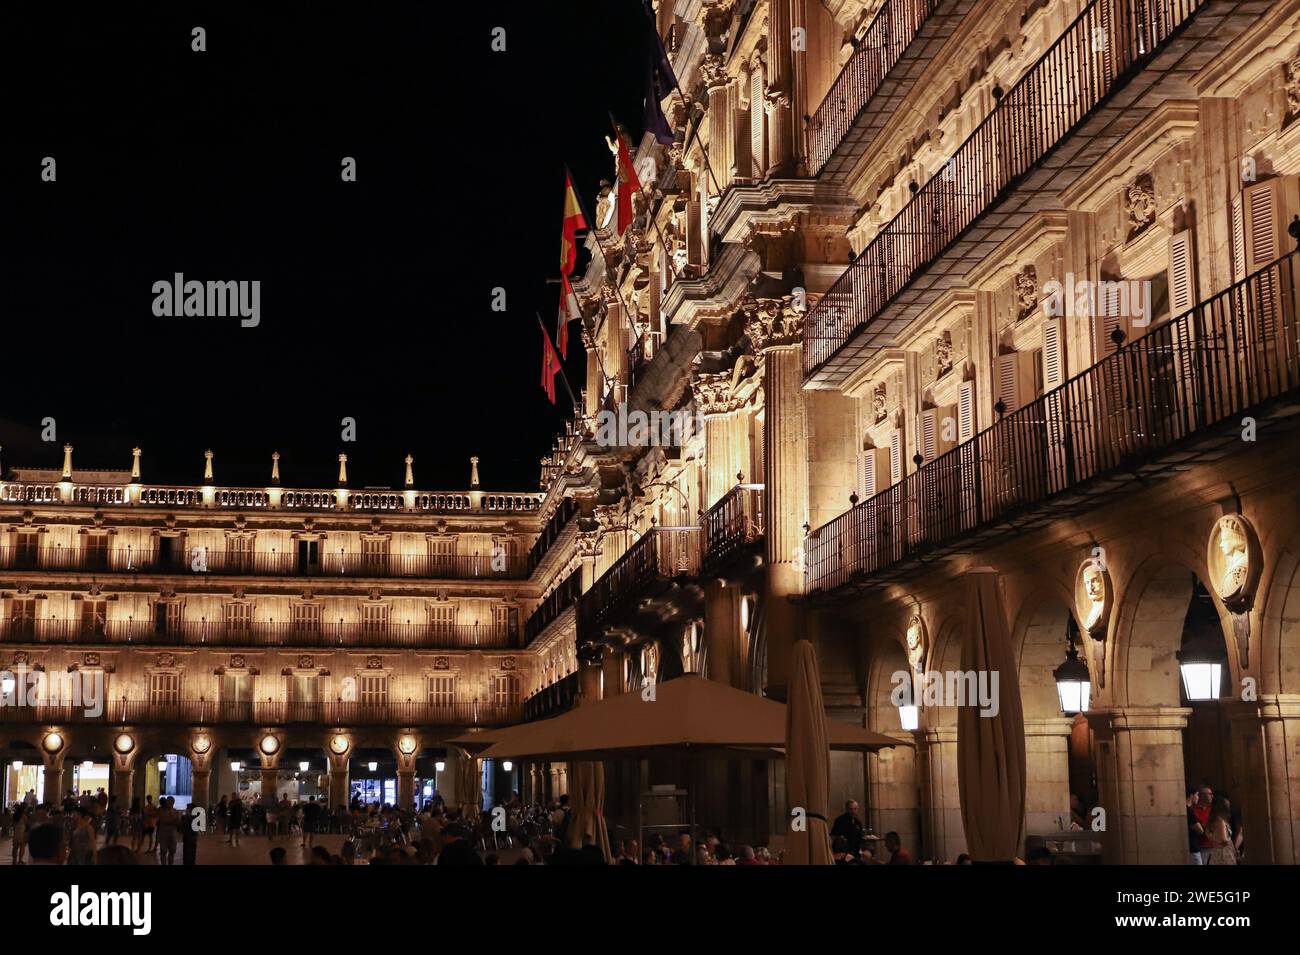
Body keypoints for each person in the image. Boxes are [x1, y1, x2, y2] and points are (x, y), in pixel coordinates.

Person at [1205, 796, 1238, 865]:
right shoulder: (1220, 820)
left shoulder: (1213, 819)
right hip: (1224, 852)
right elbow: (1223, 839)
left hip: (1217, 851)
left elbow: (1207, 833)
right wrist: (1229, 842)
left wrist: (1214, 839)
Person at [1188, 786, 1212, 864]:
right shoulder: (1192, 810)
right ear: (1202, 795)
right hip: (1201, 845)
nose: (1212, 796)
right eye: (1209, 794)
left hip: (1214, 845)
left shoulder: (1213, 809)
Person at [156, 796, 180, 865]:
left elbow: (178, 822)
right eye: (167, 801)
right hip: (163, 834)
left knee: (172, 852)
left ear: (173, 802)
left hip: (172, 834)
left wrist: (171, 820)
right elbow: (162, 819)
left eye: (169, 801)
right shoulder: (161, 810)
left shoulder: (175, 811)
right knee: (163, 851)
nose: (168, 803)